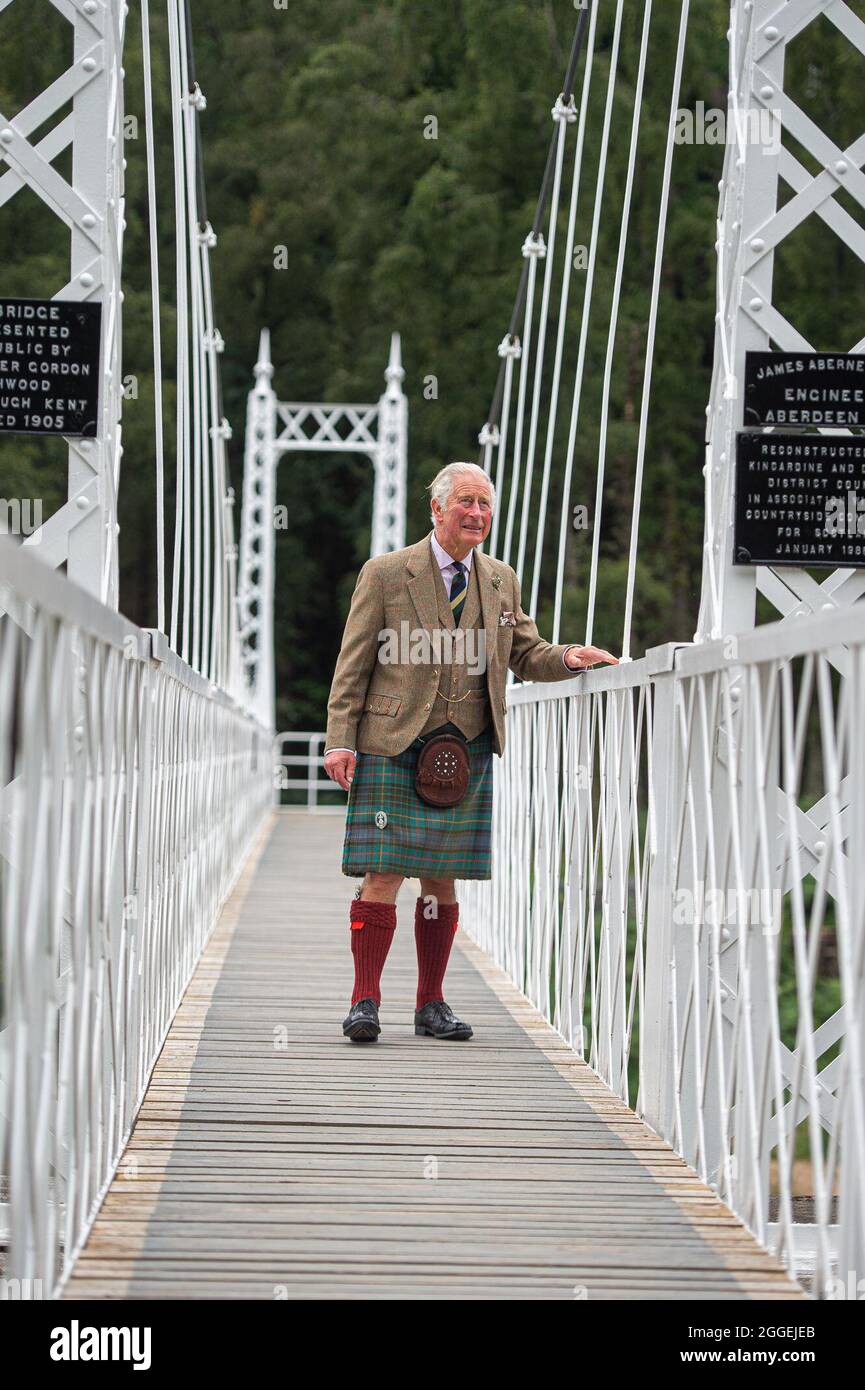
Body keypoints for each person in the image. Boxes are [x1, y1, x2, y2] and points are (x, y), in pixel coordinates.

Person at [324, 461, 617, 1042]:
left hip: (465, 748)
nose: (477, 513)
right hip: (391, 741)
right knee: (381, 875)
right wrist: (339, 738)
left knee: (442, 878)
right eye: (465, 502)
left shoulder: (501, 580)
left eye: (484, 503)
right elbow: (353, 663)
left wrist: (569, 658)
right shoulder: (385, 574)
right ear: (437, 510)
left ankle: (431, 1004)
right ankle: (365, 1000)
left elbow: (527, 653)